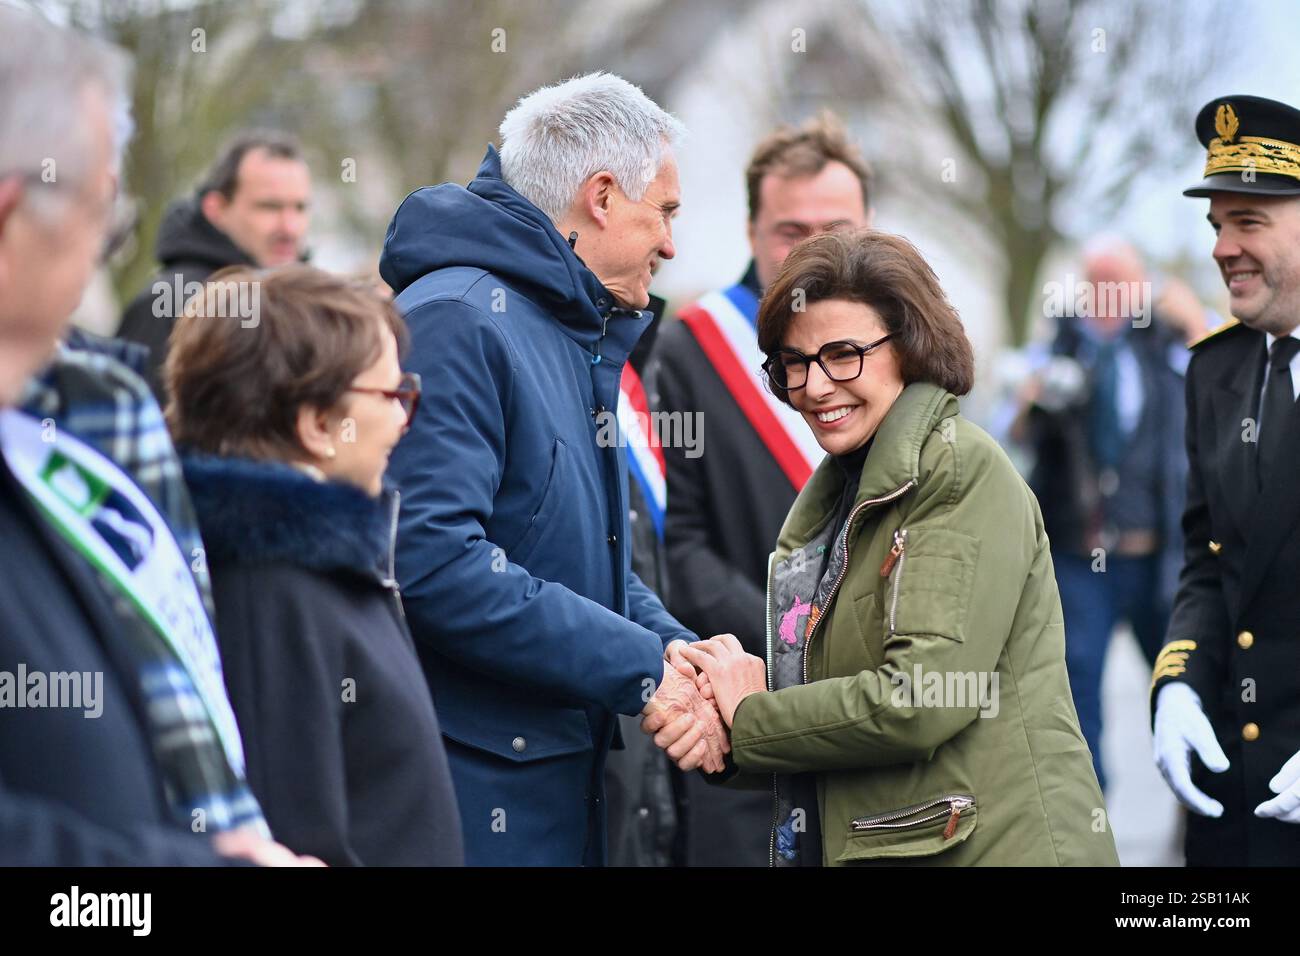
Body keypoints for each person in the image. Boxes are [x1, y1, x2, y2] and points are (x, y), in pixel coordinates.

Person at [653, 229, 1118, 866]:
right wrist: (725, 733)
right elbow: (840, 727)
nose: (815, 387)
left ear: (910, 346)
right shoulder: (845, 493)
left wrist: (752, 715)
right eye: (795, 362)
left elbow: (921, 699)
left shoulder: (954, 473)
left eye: (843, 354)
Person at [378, 72, 725, 866]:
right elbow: (432, 562)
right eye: (664, 212)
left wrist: (680, 655)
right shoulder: (460, 321)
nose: (672, 244)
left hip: (551, 790)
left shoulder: (562, 330)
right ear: (602, 196)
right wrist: (642, 669)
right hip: (476, 804)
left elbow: (583, 559)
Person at [0, 7, 313, 866]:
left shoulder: (80, 403)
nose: (105, 249)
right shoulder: (148, 335)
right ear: (11, 215)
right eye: (107, 215)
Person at [652, 110, 874, 865]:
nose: (813, 248)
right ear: (751, 231)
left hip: (870, 703)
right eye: (790, 230)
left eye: (836, 225)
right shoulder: (686, 350)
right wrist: (791, 650)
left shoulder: (891, 352)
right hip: (748, 698)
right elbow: (676, 542)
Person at [1151, 95, 1300, 866]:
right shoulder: (1217, 369)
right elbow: (1208, 564)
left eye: (1248, 222)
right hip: (1232, 794)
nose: (1222, 248)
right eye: (1217, 226)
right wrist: (1176, 682)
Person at [1010, 239, 1188, 791]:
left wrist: (1188, 315)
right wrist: (1030, 402)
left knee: (1182, 678)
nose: (1109, 295)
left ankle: (1196, 801)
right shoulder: (1056, 352)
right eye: (1098, 281)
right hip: (1079, 555)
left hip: (1158, 554)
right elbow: (1009, 435)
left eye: (1122, 282)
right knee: (1077, 683)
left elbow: (1228, 373)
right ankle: (1089, 821)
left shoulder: (1166, 347)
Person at [116, 129, 311, 398]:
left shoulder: (307, 304)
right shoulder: (168, 302)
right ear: (216, 209)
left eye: (299, 208)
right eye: (270, 207)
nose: (290, 227)